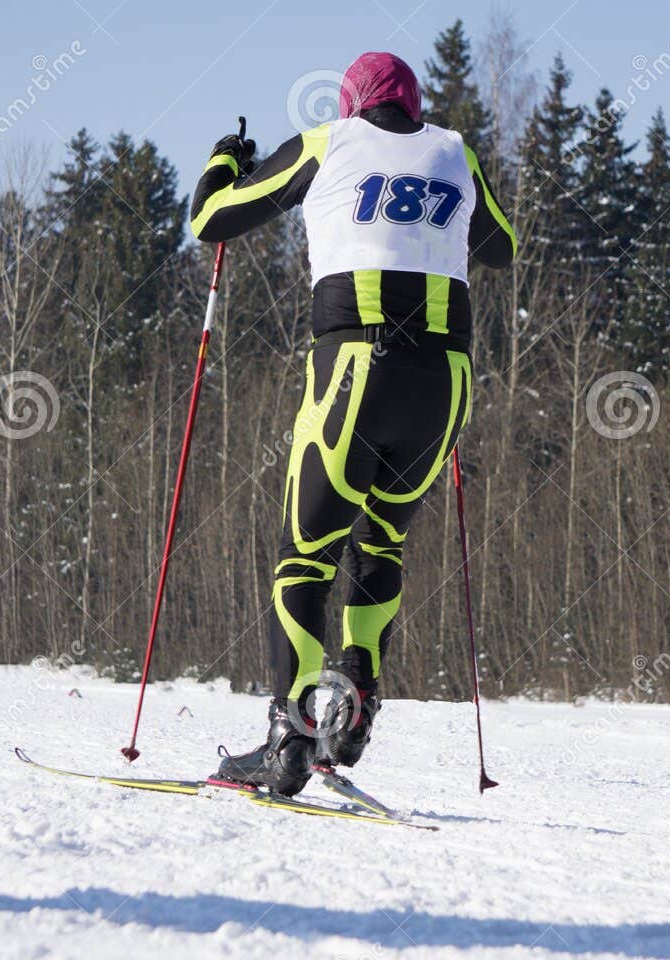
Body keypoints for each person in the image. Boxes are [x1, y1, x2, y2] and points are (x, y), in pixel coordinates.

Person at [190, 51, 516, 796]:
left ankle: (291, 739)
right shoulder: (455, 151)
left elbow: (211, 218)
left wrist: (223, 158)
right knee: (381, 541)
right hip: (444, 384)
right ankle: (354, 708)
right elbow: (501, 247)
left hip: (356, 373)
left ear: (351, 104)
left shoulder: (326, 144)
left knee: (304, 558)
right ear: (412, 103)